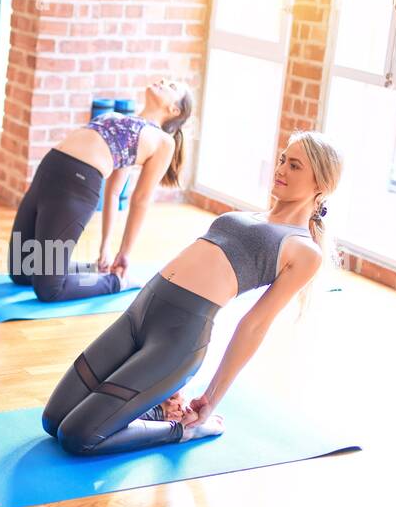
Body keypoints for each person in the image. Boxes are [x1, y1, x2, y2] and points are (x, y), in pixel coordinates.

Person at [43, 130, 343, 455]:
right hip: (140, 312)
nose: (281, 169)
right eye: (283, 159)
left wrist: (211, 398)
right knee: (53, 419)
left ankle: (181, 431)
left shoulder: (303, 250)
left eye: (295, 166)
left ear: (320, 186)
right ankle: (155, 405)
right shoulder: (246, 215)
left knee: (76, 436)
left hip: (178, 339)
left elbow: (255, 325)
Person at [8, 79, 192, 301]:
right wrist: (105, 248)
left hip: (75, 186)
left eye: (172, 87)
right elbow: (113, 193)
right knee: (20, 271)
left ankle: (116, 282)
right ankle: (96, 268)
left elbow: (140, 200)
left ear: (174, 110)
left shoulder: (163, 142)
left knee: (48, 290)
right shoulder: (126, 119)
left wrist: (124, 253)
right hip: (47, 173)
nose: (163, 82)